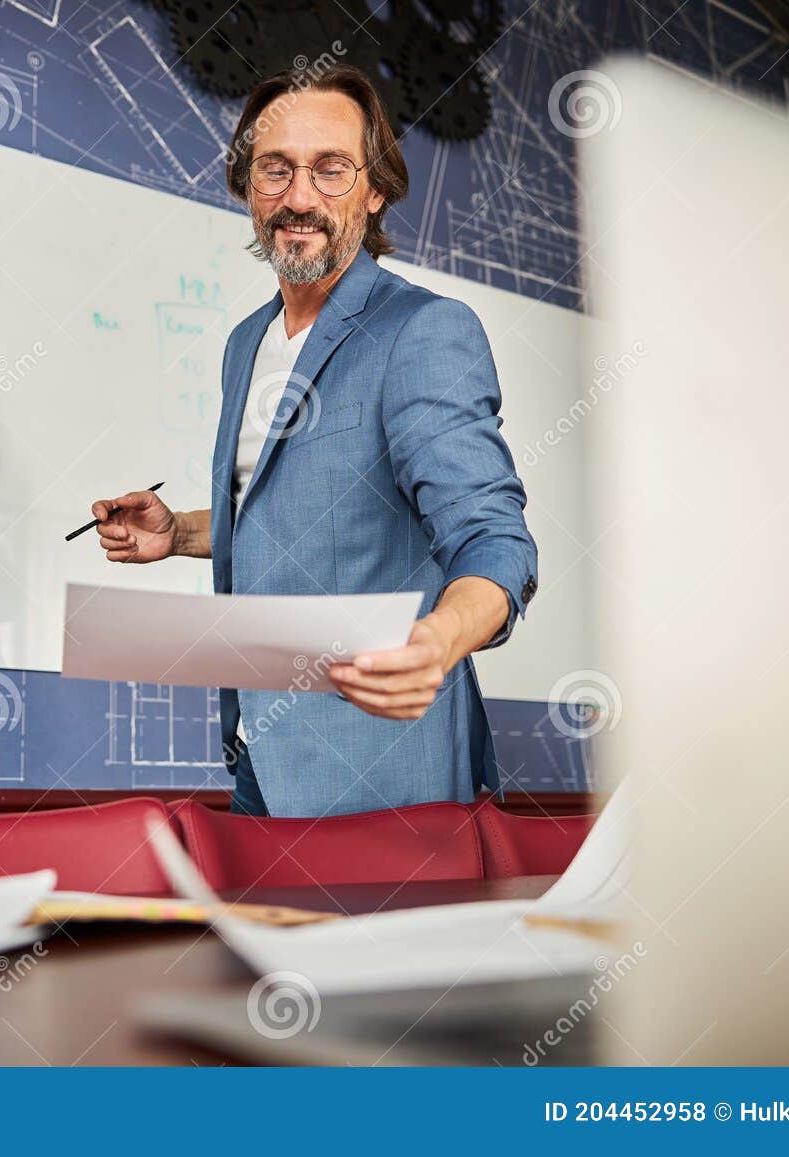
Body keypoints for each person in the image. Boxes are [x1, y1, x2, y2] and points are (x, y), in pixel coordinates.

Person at [88, 64, 537, 818]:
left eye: (331, 169)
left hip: (386, 774)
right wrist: (185, 532)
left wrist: (439, 641)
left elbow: (494, 538)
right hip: (259, 759)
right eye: (276, 169)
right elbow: (301, 509)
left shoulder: (423, 332)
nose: (300, 198)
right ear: (247, 189)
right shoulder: (245, 343)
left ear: (375, 189)